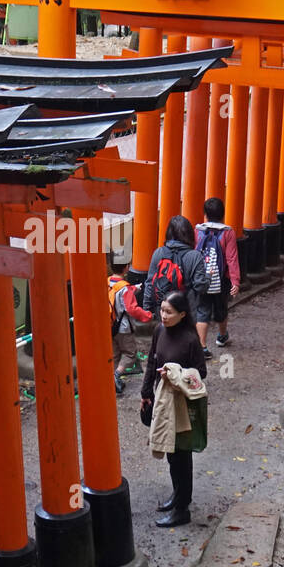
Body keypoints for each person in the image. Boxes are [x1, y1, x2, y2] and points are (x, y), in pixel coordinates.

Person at [140, 291, 208, 528]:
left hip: (182, 403)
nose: (164, 316)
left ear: (182, 314)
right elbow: (152, 360)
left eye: (169, 312)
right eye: (162, 310)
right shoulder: (159, 330)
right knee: (171, 452)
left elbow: (201, 374)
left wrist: (175, 373)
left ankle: (182, 508)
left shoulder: (191, 339)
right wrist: (145, 393)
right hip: (162, 398)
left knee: (181, 455)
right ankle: (177, 496)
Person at [195, 197, 241, 355]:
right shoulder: (228, 232)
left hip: (202, 277)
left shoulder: (198, 231)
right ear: (223, 214)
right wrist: (235, 280)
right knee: (221, 308)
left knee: (202, 310)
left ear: (205, 214)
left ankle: (202, 346)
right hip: (221, 279)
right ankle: (221, 336)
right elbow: (231, 258)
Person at [142, 215, 209, 323]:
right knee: (184, 338)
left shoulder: (159, 253)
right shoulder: (194, 256)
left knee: (166, 337)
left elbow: (150, 283)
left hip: (163, 308)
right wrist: (208, 277)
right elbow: (200, 287)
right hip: (185, 310)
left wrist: (147, 308)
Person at [108, 264, 152, 395]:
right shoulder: (125, 288)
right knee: (130, 354)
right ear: (126, 268)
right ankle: (116, 375)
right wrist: (148, 315)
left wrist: (134, 289)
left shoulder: (108, 281)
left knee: (114, 355)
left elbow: (118, 294)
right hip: (123, 327)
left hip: (110, 325)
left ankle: (111, 380)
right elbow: (131, 308)